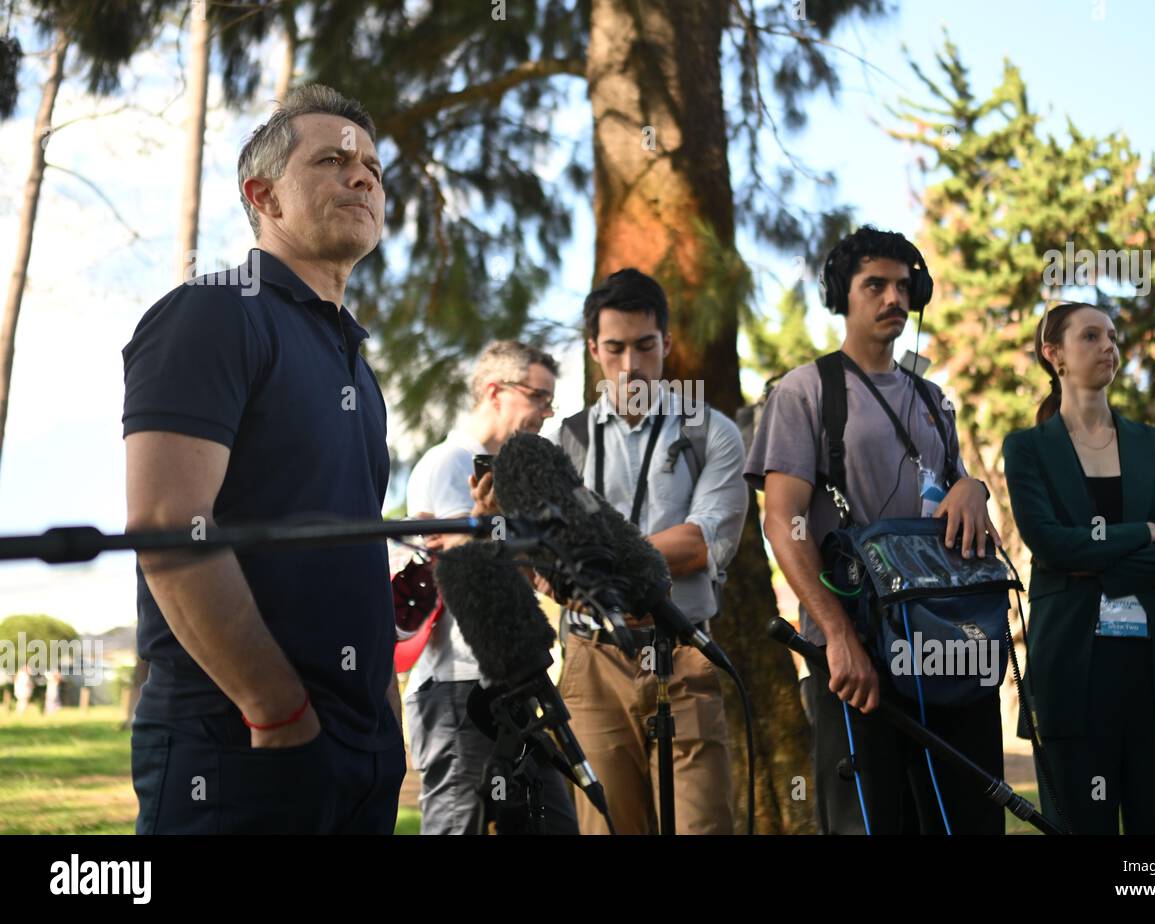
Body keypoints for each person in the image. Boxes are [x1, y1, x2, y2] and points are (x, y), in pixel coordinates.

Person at [122, 84, 405, 834]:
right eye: (334, 161)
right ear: (264, 196)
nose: (364, 178)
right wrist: (276, 710)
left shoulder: (355, 358)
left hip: (362, 747)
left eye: (374, 167)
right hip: (241, 744)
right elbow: (165, 525)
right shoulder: (213, 312)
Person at [745, 225, 1004, 834]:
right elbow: (784, 522)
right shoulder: (804, 391)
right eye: (875, 285)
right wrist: (836, 636)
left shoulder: (934, 399)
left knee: (970, 821)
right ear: (843, 295)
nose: (894, 297)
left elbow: (951, 494)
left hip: (946, 645)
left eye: (903, 285)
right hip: (859, 650)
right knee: (872, 823)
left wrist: (975, 486)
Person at [1002, 302, 1155, 834]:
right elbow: (1052, 546)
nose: (1109, 346)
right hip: (1072, 675)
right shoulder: (1027, 449)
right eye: (1091, 336)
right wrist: (1144, 533)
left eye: (1113, 336)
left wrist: (1104, 568)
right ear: (1053, 354)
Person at [550, 268, 748, 835]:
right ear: (593, 350)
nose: (630, 365)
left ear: (667, 344)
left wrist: (586, 558)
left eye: (644, 345)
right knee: (606, 828)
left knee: (701, 826)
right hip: (592, 660)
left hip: (683, 649)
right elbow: (545, 558)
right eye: (614, 348)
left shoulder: (711, 431)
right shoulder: (568, 439)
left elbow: (695, 544)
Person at [402, 339, 578, 834]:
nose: (547, 413)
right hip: (460, 686)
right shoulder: (448, 463)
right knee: (459, 826)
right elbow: (468, 567)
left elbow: (523, 570)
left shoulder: (507, 476)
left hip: (513, 684)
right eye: (539, 397)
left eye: (550, 400)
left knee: (556, 824)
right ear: (495, 391)